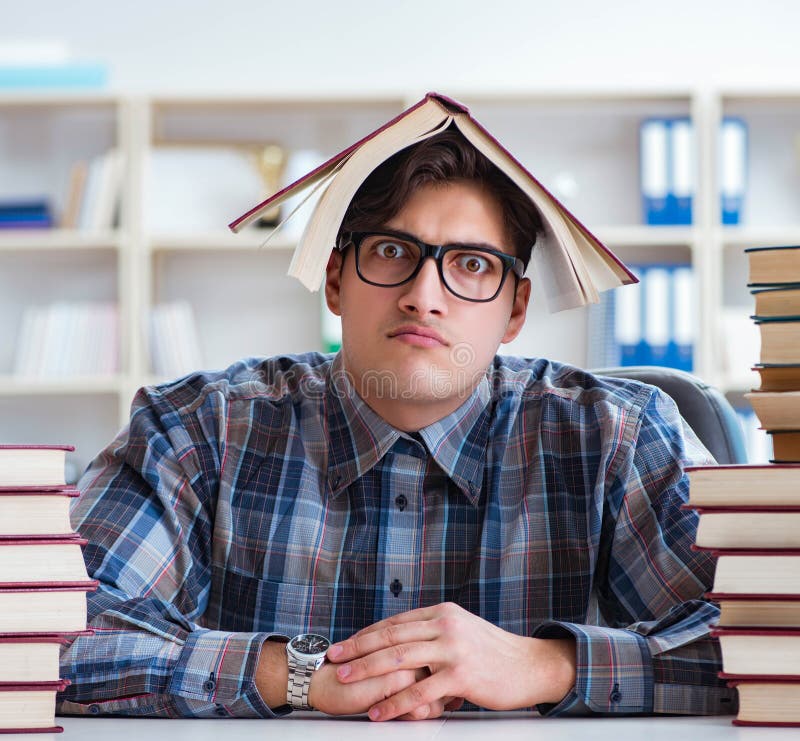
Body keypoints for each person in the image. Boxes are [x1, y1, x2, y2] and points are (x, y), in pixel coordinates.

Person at [58, 128, 736, 721]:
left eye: (472, 264)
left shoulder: (617, 434)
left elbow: (755, 635)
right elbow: (50, 633)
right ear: (334, 280)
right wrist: (302, 675)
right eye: (390, 251)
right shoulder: (195, 430)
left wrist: (544, 664)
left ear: (516, 309)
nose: (423, 296)